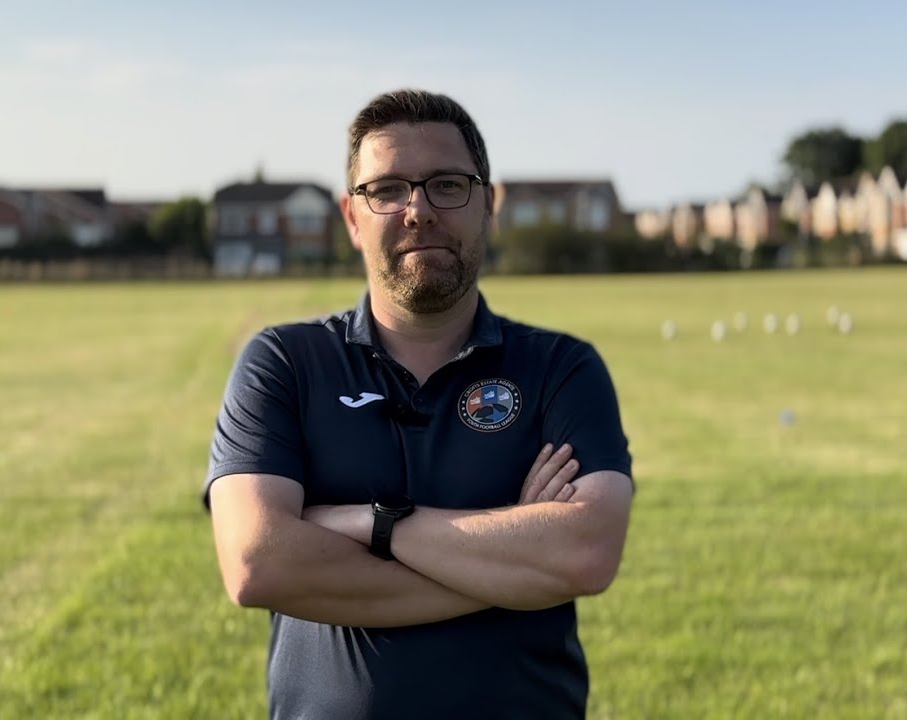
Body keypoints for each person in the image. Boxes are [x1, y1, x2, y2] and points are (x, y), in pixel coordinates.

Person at [204, 88, 634, 719]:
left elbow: (584, 552)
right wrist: (511, 558)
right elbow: (256, 563)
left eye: (447, 185)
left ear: (488, 205)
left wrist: (371, 523)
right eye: (389, 189)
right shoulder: (284, 363)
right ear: (353, 217)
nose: (419, 210)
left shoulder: (561, 369)